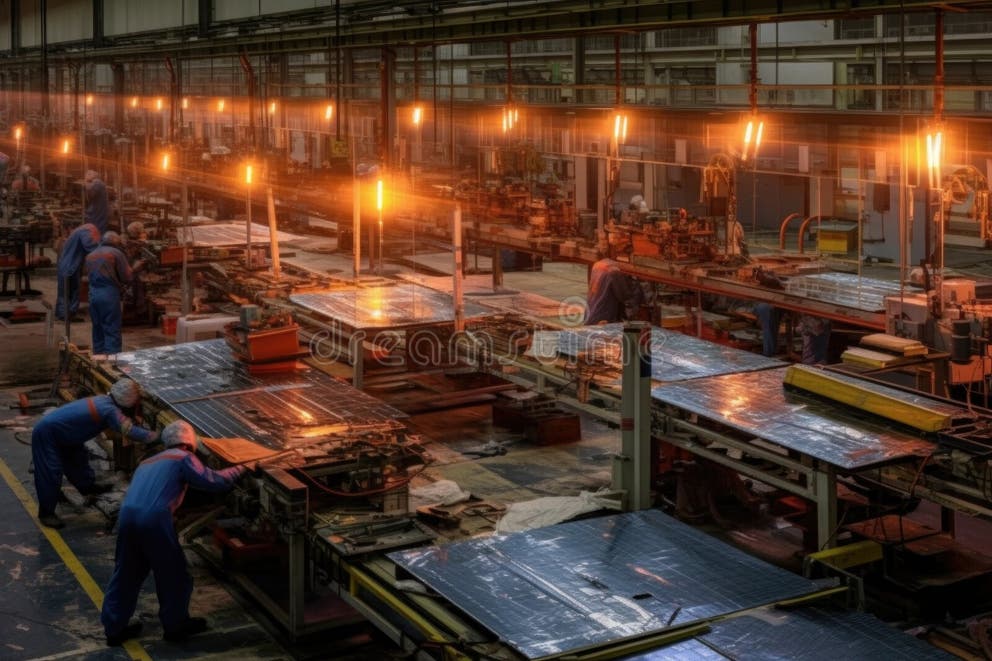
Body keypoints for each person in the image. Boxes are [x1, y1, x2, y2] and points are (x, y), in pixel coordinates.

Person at [100, 420, 247, 646]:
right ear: (189, 442)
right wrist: (242, 467)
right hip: (154, 519)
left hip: (127, 516)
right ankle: (175, 626)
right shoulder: (183, 458)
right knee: (173, 573)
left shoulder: (146, 462)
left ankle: (113, 628)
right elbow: (214, 481)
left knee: (127, 572)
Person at [31, 378, 158, 529]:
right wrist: (156, 436)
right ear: (127, 401)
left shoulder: (103, 400)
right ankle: (46, 513)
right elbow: (129, 430)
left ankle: (87, 487)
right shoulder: (109, 410)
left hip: (67, 434)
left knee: (77, 461)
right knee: (50, 472)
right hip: (47, 434)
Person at [85, 231, 144, 356]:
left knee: (97, 328)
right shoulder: (116, 253)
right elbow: (127, 277)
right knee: (112, 328)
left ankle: (99, 359)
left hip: (93, 295)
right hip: (108, 294)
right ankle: (112, 362)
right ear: (116, 243)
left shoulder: (90, 255)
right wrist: (136, 267)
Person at [55, 222, 101, 321]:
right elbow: (91, 247)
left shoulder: (80, 230)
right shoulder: (87, 230)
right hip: (70, 265)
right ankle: (66, 314)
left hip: (69, 264)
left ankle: (65, 313)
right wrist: (104, 251)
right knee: (69, 290)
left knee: (68, 290)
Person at [585, 255, 643, 325]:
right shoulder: (614, 271)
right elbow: (625, 296)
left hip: (590, 314)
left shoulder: (597, 265)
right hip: (603, 318)